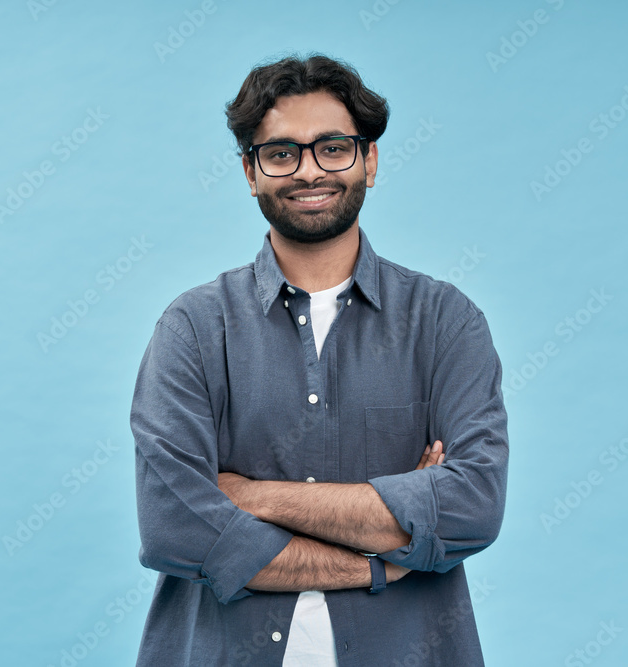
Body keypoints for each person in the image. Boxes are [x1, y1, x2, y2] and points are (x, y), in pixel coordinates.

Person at [130, 53, 508, 666]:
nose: (309, 171)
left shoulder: (446, 324)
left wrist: (253, 498)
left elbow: (469, 510)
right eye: (281, 153)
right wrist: (379, 561)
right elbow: (176, 528)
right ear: (251, 173)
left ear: (370, 161)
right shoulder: (194, 329)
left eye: (333, 147)